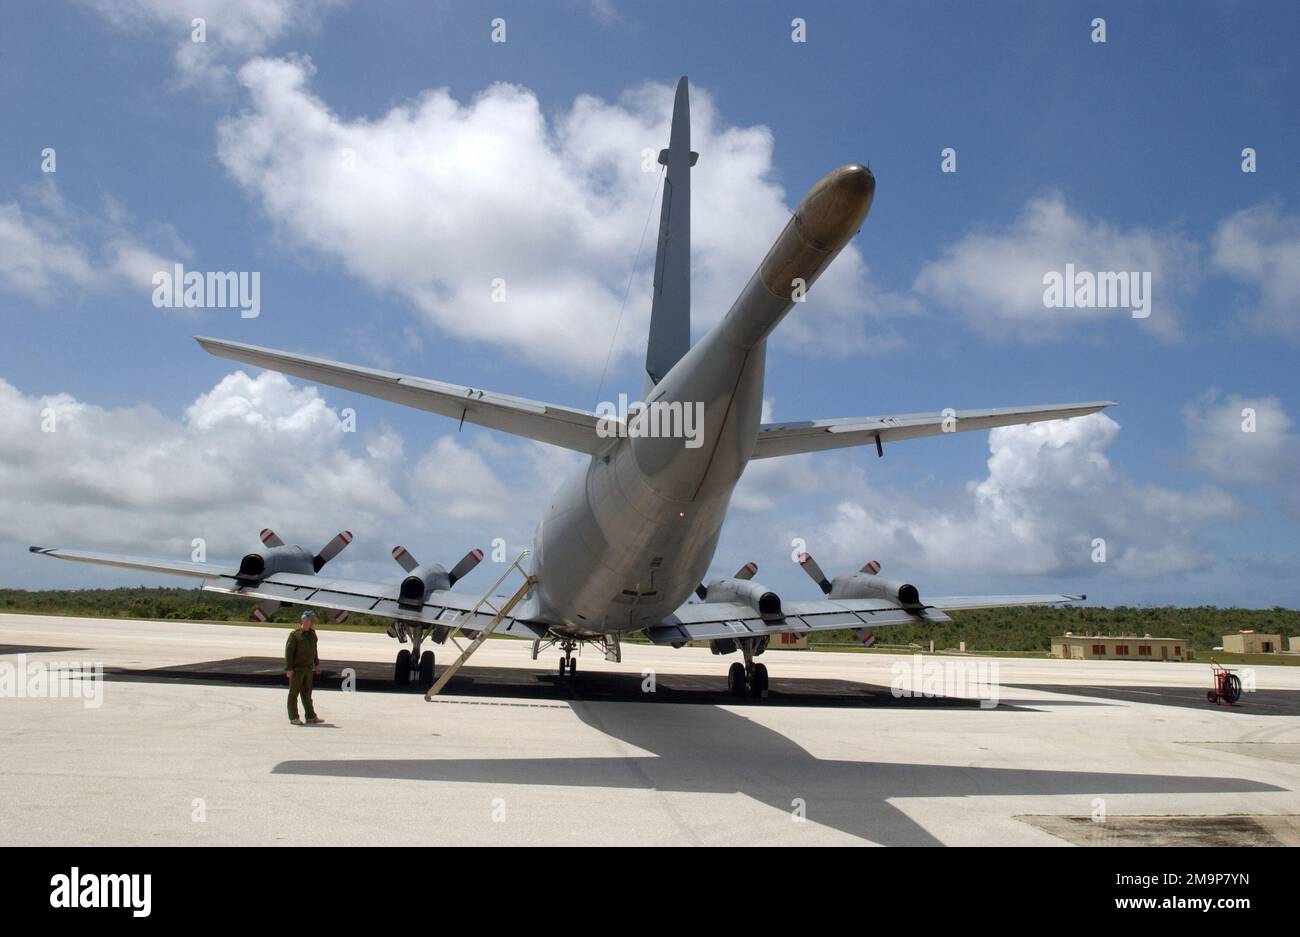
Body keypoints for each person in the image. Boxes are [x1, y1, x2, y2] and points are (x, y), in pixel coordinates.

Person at [285, 610, 323, 725]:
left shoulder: (312, 634)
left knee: (307, 694)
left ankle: (311, 716)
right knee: (293, 694)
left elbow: (314, 650)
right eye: (312, 620)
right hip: (297, 669)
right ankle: (293, 717)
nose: (313, 622)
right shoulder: (295, 635)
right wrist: (289, 669)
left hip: (308, 669)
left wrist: (317, 663)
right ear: (305, 621)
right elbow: (289, 653)